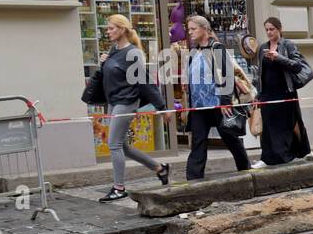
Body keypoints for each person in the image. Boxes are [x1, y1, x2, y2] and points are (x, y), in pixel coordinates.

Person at [86, 14, 168, 202]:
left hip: (127, 102)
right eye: (107, 29)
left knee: (113, 144)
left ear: (122, 29)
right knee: (123, 146)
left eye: (111, 28)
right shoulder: (114, 51)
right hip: (114, 102)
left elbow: (145, 81)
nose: (108, 32)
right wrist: (104, 63)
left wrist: (161, 107)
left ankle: (119, 188)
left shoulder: (133, 54)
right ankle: (160, 168)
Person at [184, 14, 251, 179]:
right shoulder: (194, 52)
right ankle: (193, 178)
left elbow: (228, 75)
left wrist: (225, 101)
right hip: (199, 106)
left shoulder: (216, 48)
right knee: (198, 142)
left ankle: (245, 169)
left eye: (193, 29)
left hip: (218, 104)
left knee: (229, 137)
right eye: (189, 29)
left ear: (204, 29)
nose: (190, 32)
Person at [253, 16, 312, 165]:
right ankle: (266, 158)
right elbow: (261, 72)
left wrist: (279, 58)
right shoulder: (262, 48)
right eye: (266, 29)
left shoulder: (287, 45)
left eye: (272, 29)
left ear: (279, 29)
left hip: (285, 91)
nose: (269, 32)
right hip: (267, 92)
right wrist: (258, 94)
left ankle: (303, 151)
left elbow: (297, 66)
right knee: (268, 125)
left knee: (292, 123)